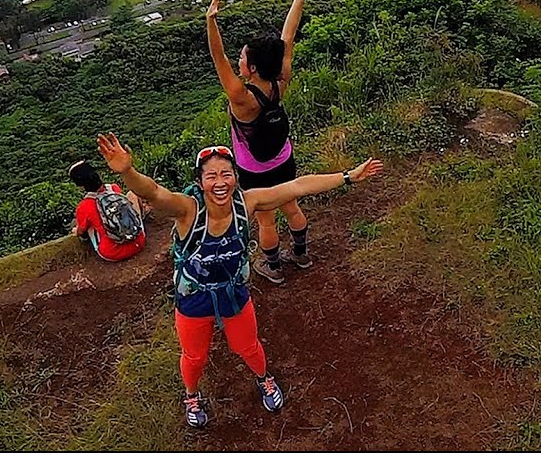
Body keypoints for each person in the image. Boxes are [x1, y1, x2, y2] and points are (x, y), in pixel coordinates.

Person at [95, 132, 384, 428]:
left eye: (226, 174)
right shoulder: (187, 210)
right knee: (194, 357)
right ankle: (192, 396)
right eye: (211, 176)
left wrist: (347, 176)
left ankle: (263, 379)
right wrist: (128, 172)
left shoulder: (247, 204)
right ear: (200, 181)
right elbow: (154, 193)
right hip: (194, 297)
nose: (220, 182)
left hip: (233, 292)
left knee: (248, 346)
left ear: (236, 177)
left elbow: (297, 186)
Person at [205, 0, 315, 285]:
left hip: (254, 168)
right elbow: (288, 37)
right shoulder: (282, 79)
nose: (238, 60)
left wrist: (211, 20)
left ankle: (273, 267)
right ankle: (302, 254)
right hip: (284, 156)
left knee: (266, 220)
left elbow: (217, 57)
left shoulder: (241, 96)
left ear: (251, 67)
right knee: (291, 204)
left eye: (242, 57)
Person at [69, 159, 146, 262]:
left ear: (81, 186)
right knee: (131, 195)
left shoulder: (84, 206)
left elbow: (81, 233)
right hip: (139, 242)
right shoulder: (114, 188)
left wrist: (76, 231)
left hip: (113, 253)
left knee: (87, 224)